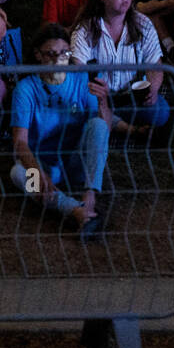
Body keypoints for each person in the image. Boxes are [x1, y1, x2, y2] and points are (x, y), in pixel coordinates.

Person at [9, 23, 112, 236]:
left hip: (77, 160)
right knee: (18, 173)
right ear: (38, 55)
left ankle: (89, 197)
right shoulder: (25, 89)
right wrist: (37, 170)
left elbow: (101, 131)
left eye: (64, 53)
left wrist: (103, 103)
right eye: (51, 54)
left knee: (98, 124)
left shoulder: (80, 79)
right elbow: (20, 142)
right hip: (45, 164)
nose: (58, 60)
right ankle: (74, 209)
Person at [70, 0, 169, 134]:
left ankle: (113, 123)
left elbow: (155, 64)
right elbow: (78, 67)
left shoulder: (142, 23)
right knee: (80, 108)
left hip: (131, 97)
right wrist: (96, 93)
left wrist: (153, 89)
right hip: (97, 99)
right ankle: (125, 128)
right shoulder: (86, 28)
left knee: (160, 112)